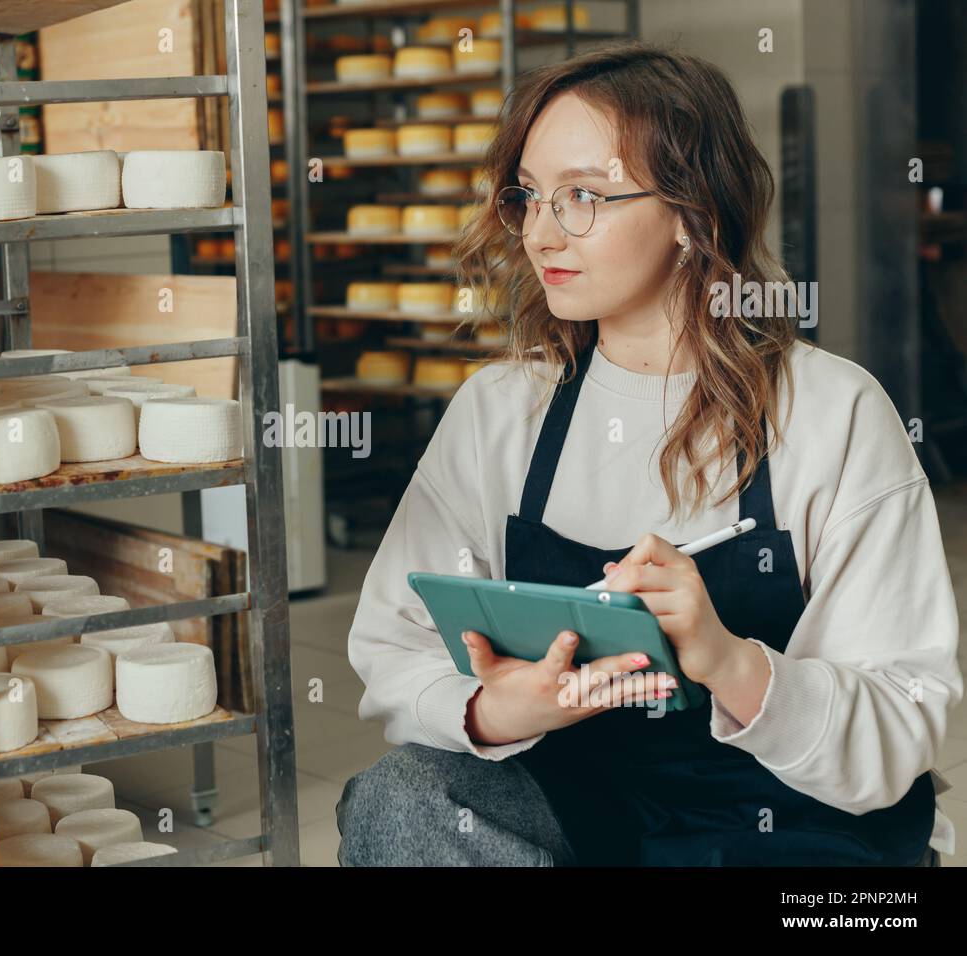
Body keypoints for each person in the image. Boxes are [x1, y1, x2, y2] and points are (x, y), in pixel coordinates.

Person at [335, 44, 962, 867]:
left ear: (691, 214)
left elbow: (900, 724)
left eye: (585, 197)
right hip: (573, 807)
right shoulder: (499, 411)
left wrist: (730, 662)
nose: (541, 233)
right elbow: (393, 647)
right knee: (397, 799)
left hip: (795, 826)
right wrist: (496, 711)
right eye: (530, 196)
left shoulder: (834, 413)